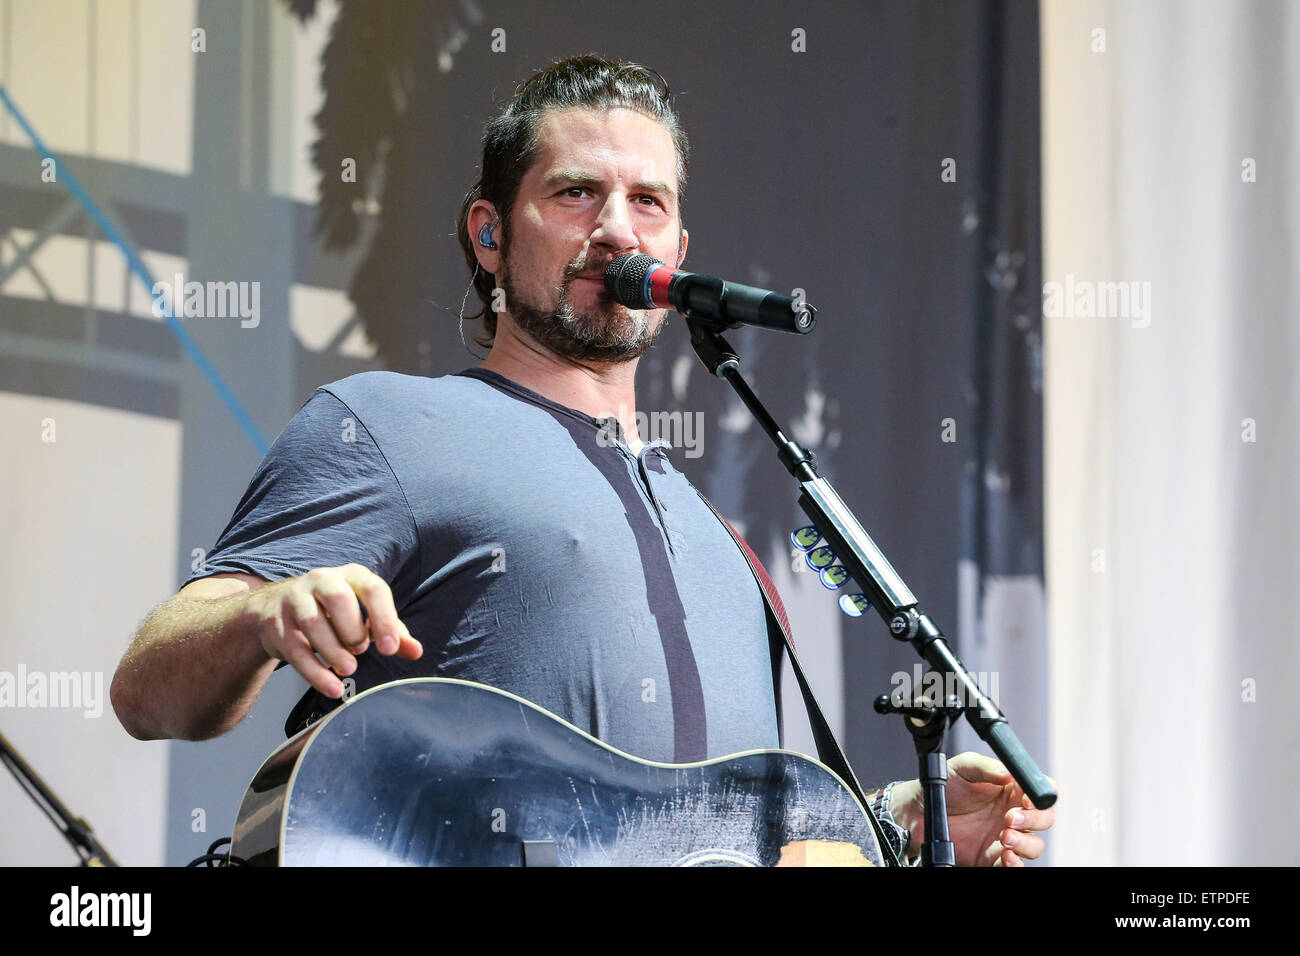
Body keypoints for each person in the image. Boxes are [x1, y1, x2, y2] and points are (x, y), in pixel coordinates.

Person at [110, 54, 1053, 867]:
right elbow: (148, 692)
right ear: (490, 234)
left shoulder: (717, 540)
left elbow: (710, 830)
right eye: (576, 193)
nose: (618, 228)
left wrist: (907, 825)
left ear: (678, 253)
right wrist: (261, 610)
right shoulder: (389, 423)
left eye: (648, 201)